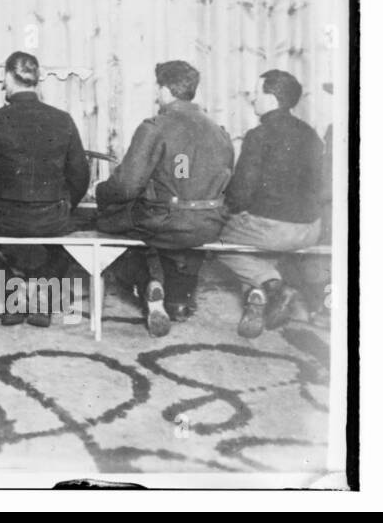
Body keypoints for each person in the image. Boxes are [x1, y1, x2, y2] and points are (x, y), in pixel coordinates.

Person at [96, 60, 233, 337]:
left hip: (165, 220)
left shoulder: (155, 127)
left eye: (158, 88)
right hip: (209, 223)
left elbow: (125, 187)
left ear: (166, 90)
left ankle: (146, 283)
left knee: (106, 224)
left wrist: (101, 192)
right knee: (181, 237)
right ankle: (178, 300)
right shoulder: (219, 131)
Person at [0, 52, 90, 328]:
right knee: (74, 232)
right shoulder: (63, 119)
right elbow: (80, 175)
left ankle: (11, 290)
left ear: (9, 77)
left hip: (6, 216)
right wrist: (66, 204)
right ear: (37, 80)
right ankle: (43, 290)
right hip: (52, 216)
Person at [218, 70, 324, 338]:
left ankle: (271, 284)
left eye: (258, 92)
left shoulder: (259, 135)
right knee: (255, 243)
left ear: (272, 98)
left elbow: (240, 193)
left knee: (216, 239)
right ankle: (258, 295)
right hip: (310, 229)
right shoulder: (311, 134)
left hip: (273, 230)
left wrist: (224, 209)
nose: (252, 98)